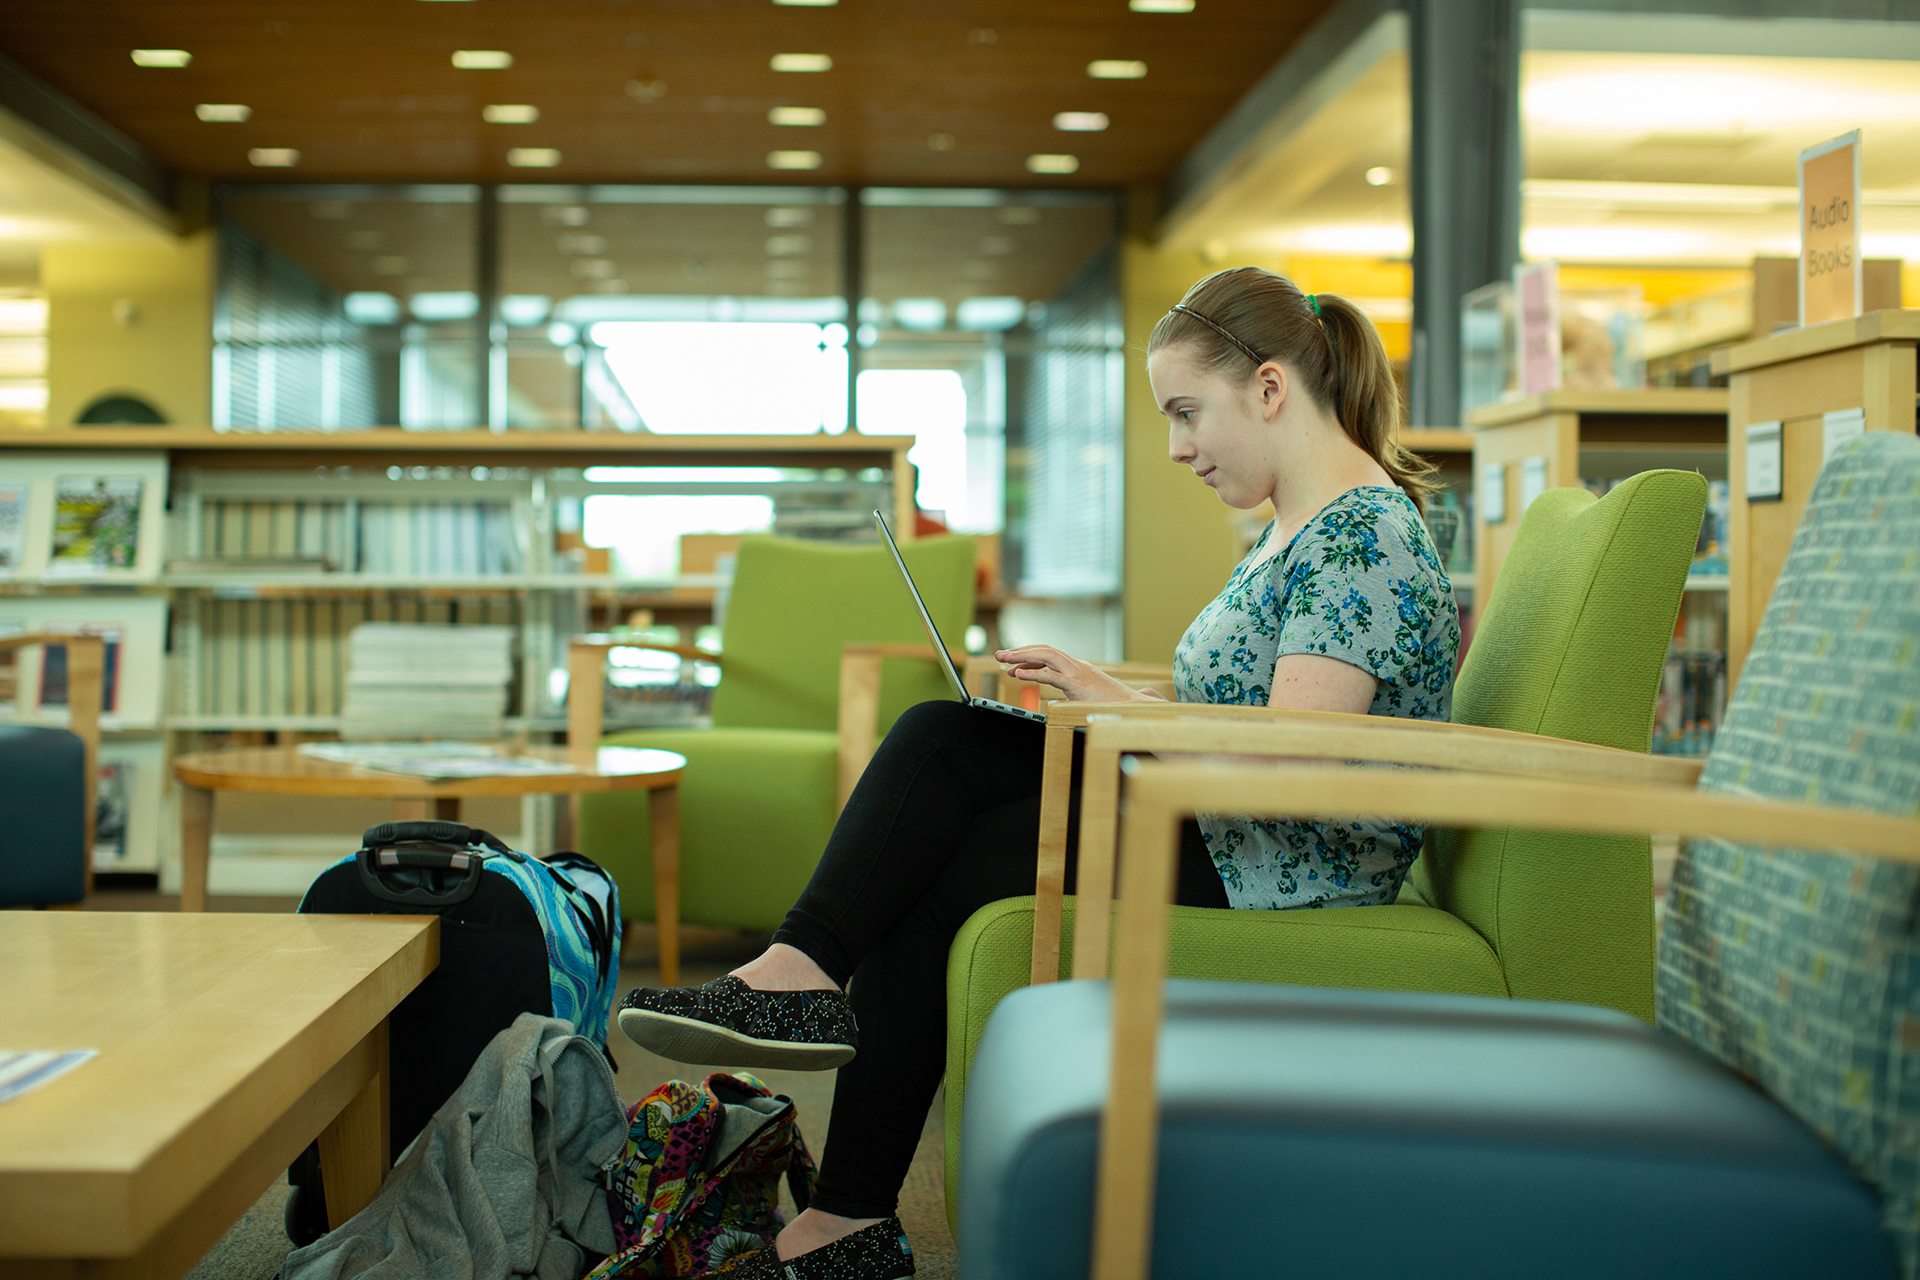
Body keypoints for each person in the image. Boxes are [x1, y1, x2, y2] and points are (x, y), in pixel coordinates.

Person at [616, 266, 1461, 1279]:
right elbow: (1250, 723)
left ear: (1271, 389)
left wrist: (1118, 715)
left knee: (946, 827)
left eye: (1189, 413)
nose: (1179, 446)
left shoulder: (1360, 531)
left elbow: (1290, 764)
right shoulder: (1300, 521)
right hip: (1226, 826)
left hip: (1278, 862)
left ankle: (837, 1173)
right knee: (941, 739)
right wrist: (1099, 690)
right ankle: (806, 1033)